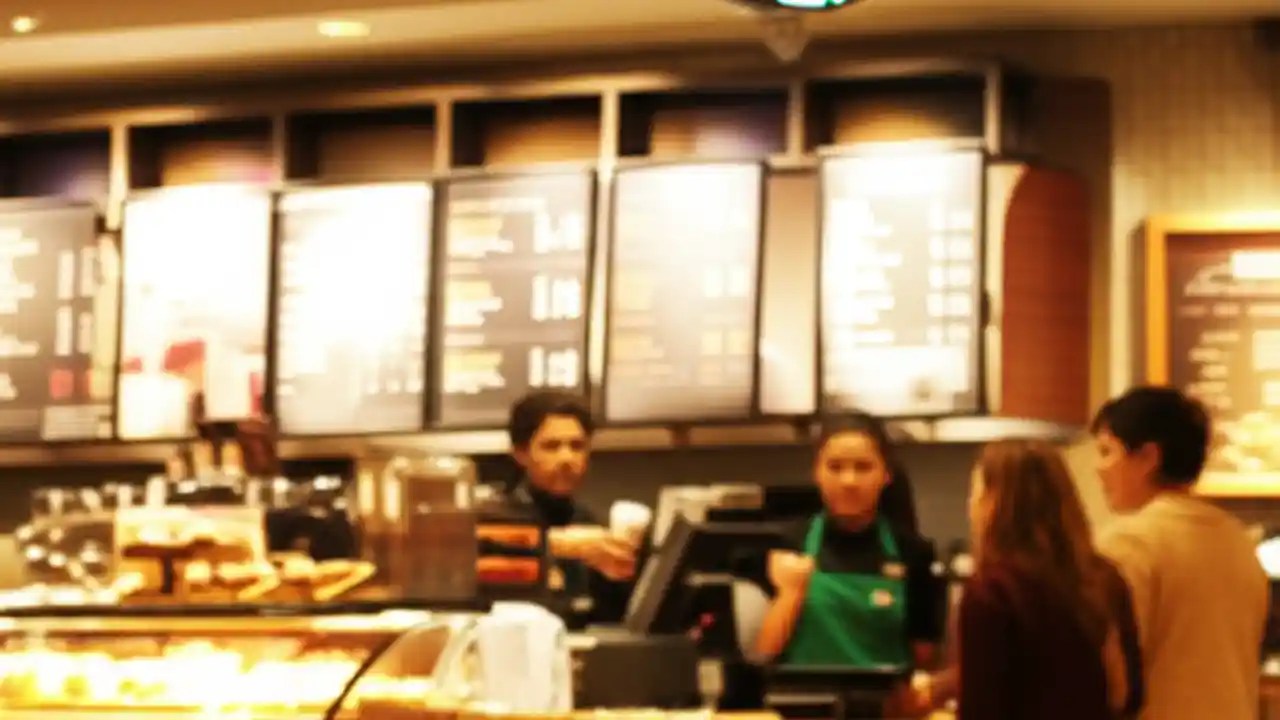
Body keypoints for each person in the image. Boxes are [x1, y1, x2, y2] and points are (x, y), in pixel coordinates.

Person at [1092, 386, 1268, 720]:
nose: (1098, 470)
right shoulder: (1239, 544)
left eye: (1106, 452)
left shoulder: (1129, 544)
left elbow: (1112, 675)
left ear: (1148, 457)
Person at [958, 439, 1143, 720]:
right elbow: (1131, 695)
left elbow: (981, 709)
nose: (970, 504)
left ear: (996, 501)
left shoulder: (992, 590)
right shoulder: (1103, 577)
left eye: (976, 491)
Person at [752, 413, 944, 671]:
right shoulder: (785, 544)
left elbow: (925, 657)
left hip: (886, 706)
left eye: (863, 467)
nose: (849, 481)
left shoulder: (913, 552)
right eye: (835, 467)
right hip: (803, 704)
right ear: (816, 473)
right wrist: (791, 593)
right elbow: (763, 654)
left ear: (886, 475)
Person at [498, 390, 641, 625]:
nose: (566, 458)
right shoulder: (495, 517)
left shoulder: (591, 524)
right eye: (551, 446)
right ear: (521, 454)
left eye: (576, 446)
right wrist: (558, 545)